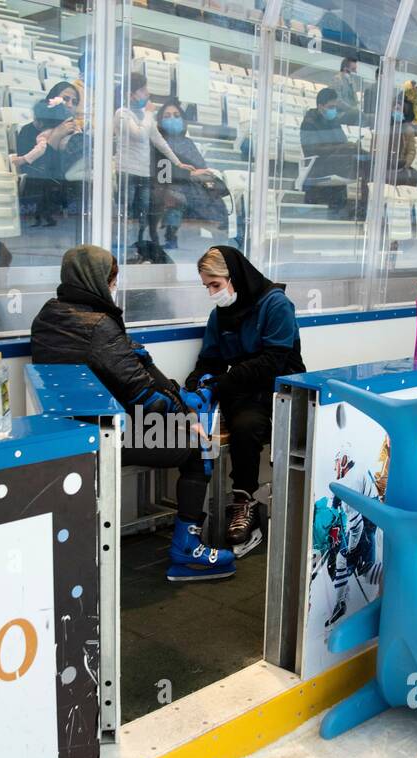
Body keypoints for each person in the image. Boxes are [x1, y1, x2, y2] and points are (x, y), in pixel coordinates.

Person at [30, 245, 235, 582]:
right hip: (107, 435)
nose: (113, 287)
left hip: (67, 430)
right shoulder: (99, 326)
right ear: (97, 281)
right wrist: (187, 419)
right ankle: (187, 549)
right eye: (112, 280)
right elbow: (145, 397)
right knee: (202, 447)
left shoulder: (48, 316)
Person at [186, 246, 305, 556]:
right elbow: (210, 359)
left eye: (216, 284)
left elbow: (273, 361)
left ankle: (244, 504)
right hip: (242, 390)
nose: (212, 293)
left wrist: (224, 382)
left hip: (277, 390)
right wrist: (194, 384)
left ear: (235, 276)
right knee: (205, 423)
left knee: (246, 427)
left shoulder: (275, 305)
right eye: (207, 286)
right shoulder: (220, 316)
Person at [114, 73, 190, 245]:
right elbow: (140, 135)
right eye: (142, 90)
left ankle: (139, 241)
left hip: (143, 171)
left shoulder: (144, 115)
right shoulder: (122, 114)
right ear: (131, 94)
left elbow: (159, 141)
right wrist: (149, 114)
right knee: (126, 210)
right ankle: (122, 241)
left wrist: (177, 161)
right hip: (126, 170)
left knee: (143, 210)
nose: (147, 93)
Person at [151, 98, 228, 249]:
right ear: (159, 121)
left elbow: (201, 167)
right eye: (167, 116)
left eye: (176, 115)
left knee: (216, 200)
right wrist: (188, 174)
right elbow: (161, 172)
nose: (172, 119)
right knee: (177, 197)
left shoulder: (188, 143)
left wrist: (200, 174)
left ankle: (222, 239)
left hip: (193, 187)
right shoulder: (158, 143)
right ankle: (170, 239)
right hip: (171, 186)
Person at [13, 83, 83, 227]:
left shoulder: (77, 134)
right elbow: (32, 170)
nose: (70, 105)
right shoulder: (28, 130)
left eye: (74, 102)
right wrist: (55, 137)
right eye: (66, 99)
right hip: (37, 193)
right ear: (51, 100)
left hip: (70, 199)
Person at [299, 88, 372, 217]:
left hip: (337, 162)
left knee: (367, 159)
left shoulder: (333, 122)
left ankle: (365, 206)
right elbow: (312, 150)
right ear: (320, 106)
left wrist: (343, 147)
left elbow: (342, 141)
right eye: (331, 107)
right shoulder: (309, 123)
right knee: (352, 150)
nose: (334, 110)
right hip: (319, 165)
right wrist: (340, 148)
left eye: (335, 107)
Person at [330, 57, 364, 125]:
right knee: (362, 117)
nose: (355, 72)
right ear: (345, 69)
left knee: (364, 116)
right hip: (341, 114)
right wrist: (352, 109)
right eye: (353, 69)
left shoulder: (351, 80)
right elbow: (338, 100)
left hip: (351, 113)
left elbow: (354, 98)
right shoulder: (337, 79)